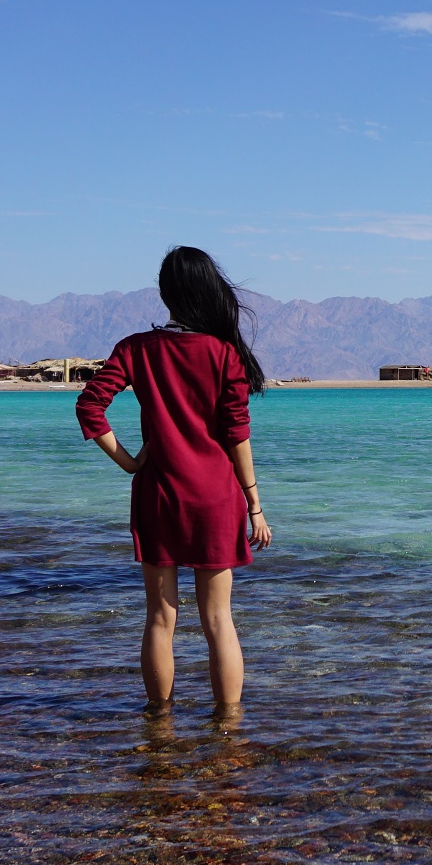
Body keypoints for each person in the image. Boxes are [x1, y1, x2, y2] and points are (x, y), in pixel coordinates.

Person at [76, 246, 273, 716]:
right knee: (219, 620)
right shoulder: (225, 354)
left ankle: (159, 726)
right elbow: (235, 434)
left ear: (165, 293)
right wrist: (255, 506)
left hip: (158, 495)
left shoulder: (135, 349)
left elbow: (89, 406)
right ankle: (228, 732)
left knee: (160, 619)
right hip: (215, 498)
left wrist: (127, 462)